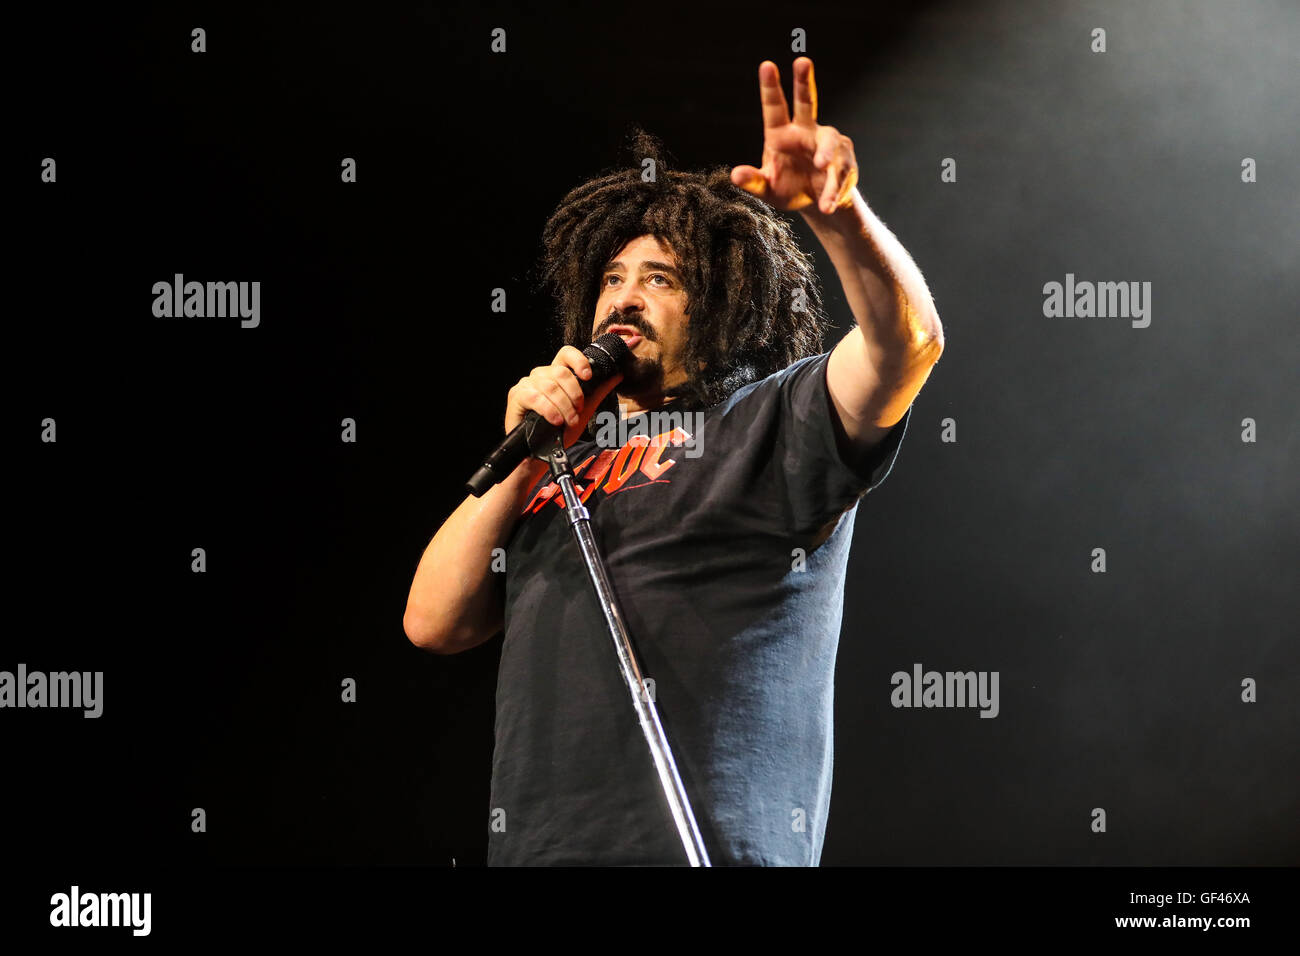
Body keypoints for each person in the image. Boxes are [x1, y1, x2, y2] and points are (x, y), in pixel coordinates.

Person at [404, 57, 945, 865]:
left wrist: (839, 216)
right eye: (612, 278)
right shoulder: (556, 467)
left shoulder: (774, 421)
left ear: (724, 301)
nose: (624, 298)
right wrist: (524, 456)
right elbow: (432, 622)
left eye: (659, 279)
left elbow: (908, 345)